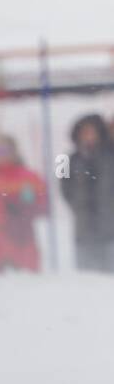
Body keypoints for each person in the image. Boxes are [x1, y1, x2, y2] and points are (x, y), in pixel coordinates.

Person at [0, 134, 47, 273]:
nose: (0, 155)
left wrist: (21, 204)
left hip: (23, 237)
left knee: (27, 279)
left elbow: (42, 204)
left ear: (14, 152)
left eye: (4, 150)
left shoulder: (28, 176)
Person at [60, 113, 114, 273]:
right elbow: (63, 189)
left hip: (110, 228)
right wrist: (79, 206)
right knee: (86, 276)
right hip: (83, 228)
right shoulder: (64, 159)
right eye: (84, 132)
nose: (88, 137)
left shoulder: (110, 156)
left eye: (92, 132)